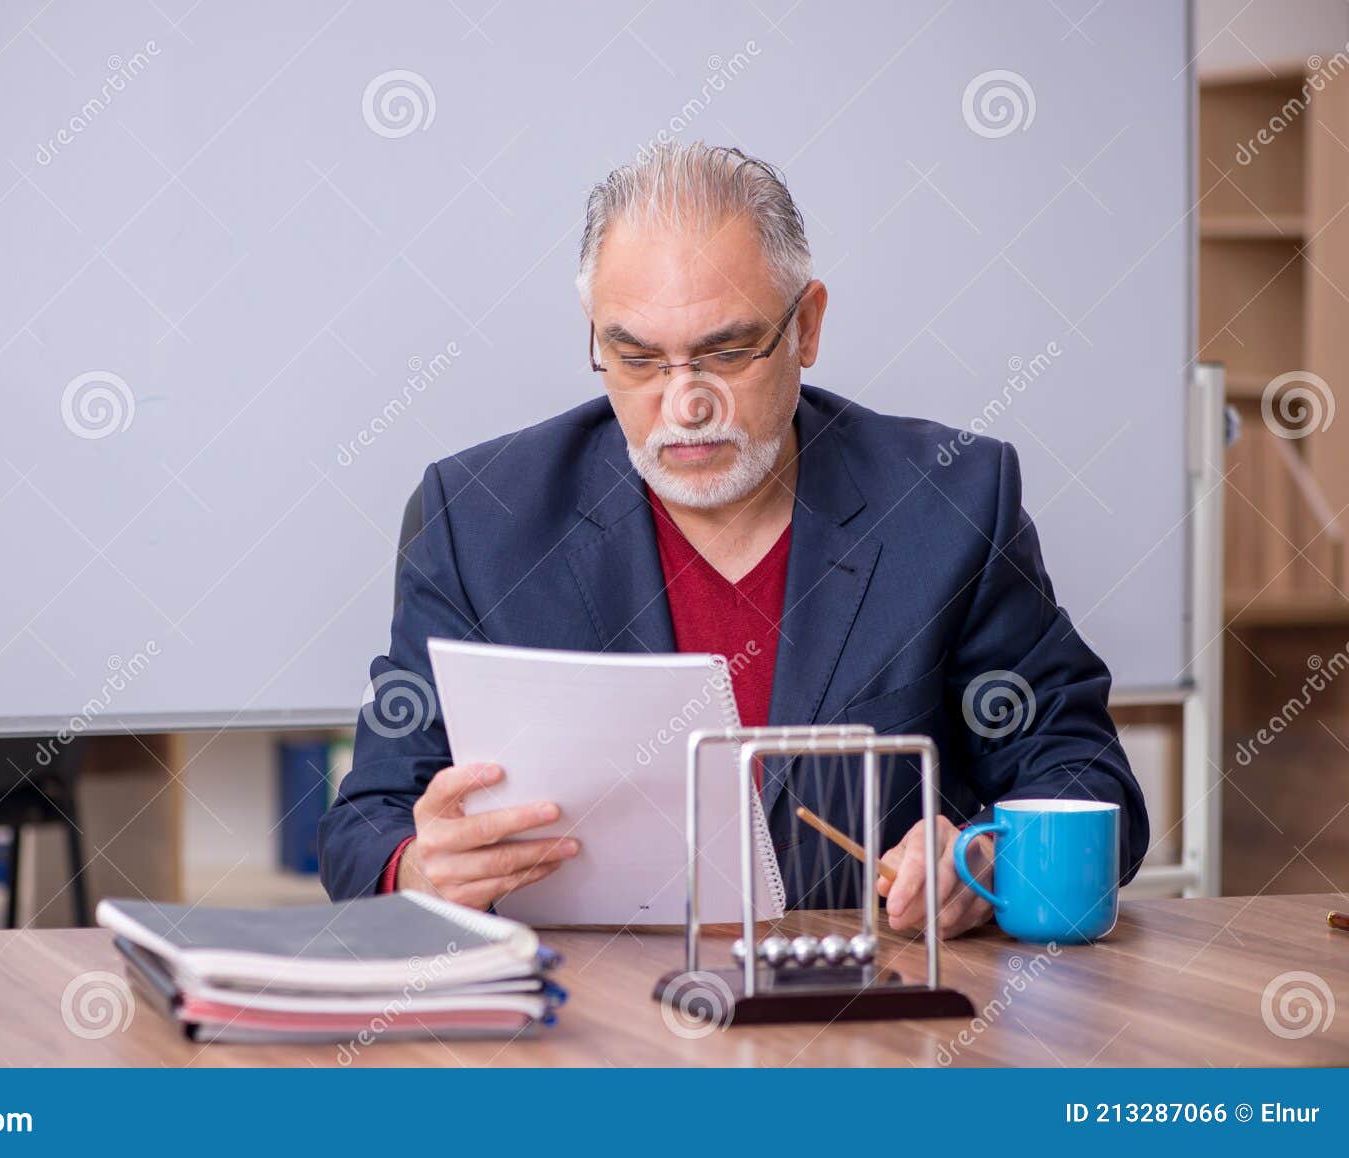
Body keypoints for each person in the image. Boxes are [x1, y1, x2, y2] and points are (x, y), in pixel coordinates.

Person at [319, 142, 1148, 938]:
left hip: (873, 1019)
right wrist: (423, 871)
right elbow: (366, 824)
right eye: (636, 358)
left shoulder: (951, 504)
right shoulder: (481, 519)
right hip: (585, 1029)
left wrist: (990, 860)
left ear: (808, 327)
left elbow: (1080, 773)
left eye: (727, 350)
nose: (686, 405)